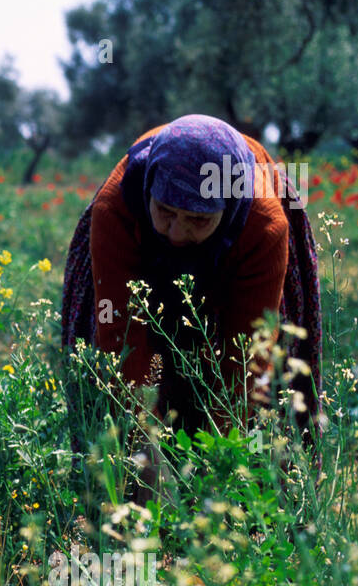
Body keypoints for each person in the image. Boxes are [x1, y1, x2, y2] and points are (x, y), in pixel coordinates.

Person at [61, 114, 322, 446]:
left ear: (226, 211)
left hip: (242, 239)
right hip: (133, 235)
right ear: (149, 195)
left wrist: (222, 453)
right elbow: (119, 329)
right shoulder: (117, 207)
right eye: (166, 212)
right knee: (111, 369)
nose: (177, 233)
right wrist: (144, 441)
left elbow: (246, 353)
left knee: (252, 381)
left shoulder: (262, 223)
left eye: (198, 220)